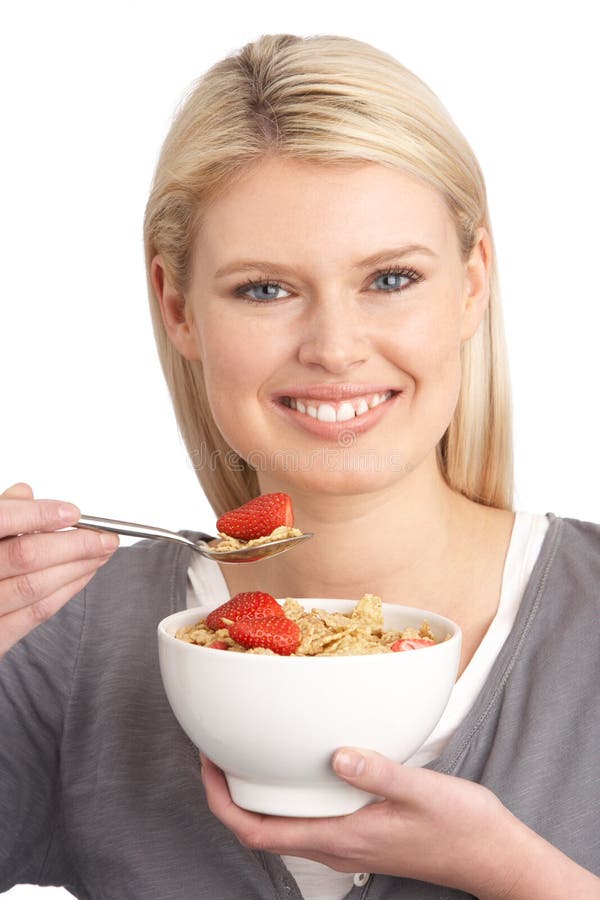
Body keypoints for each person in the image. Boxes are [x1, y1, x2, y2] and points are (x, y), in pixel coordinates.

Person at [1, 32, 599, 900]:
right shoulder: (66, 641)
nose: (336, 349)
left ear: (473, 283)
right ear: (178, 307)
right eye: (265, 289)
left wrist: (513, 875)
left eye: (391, 279)